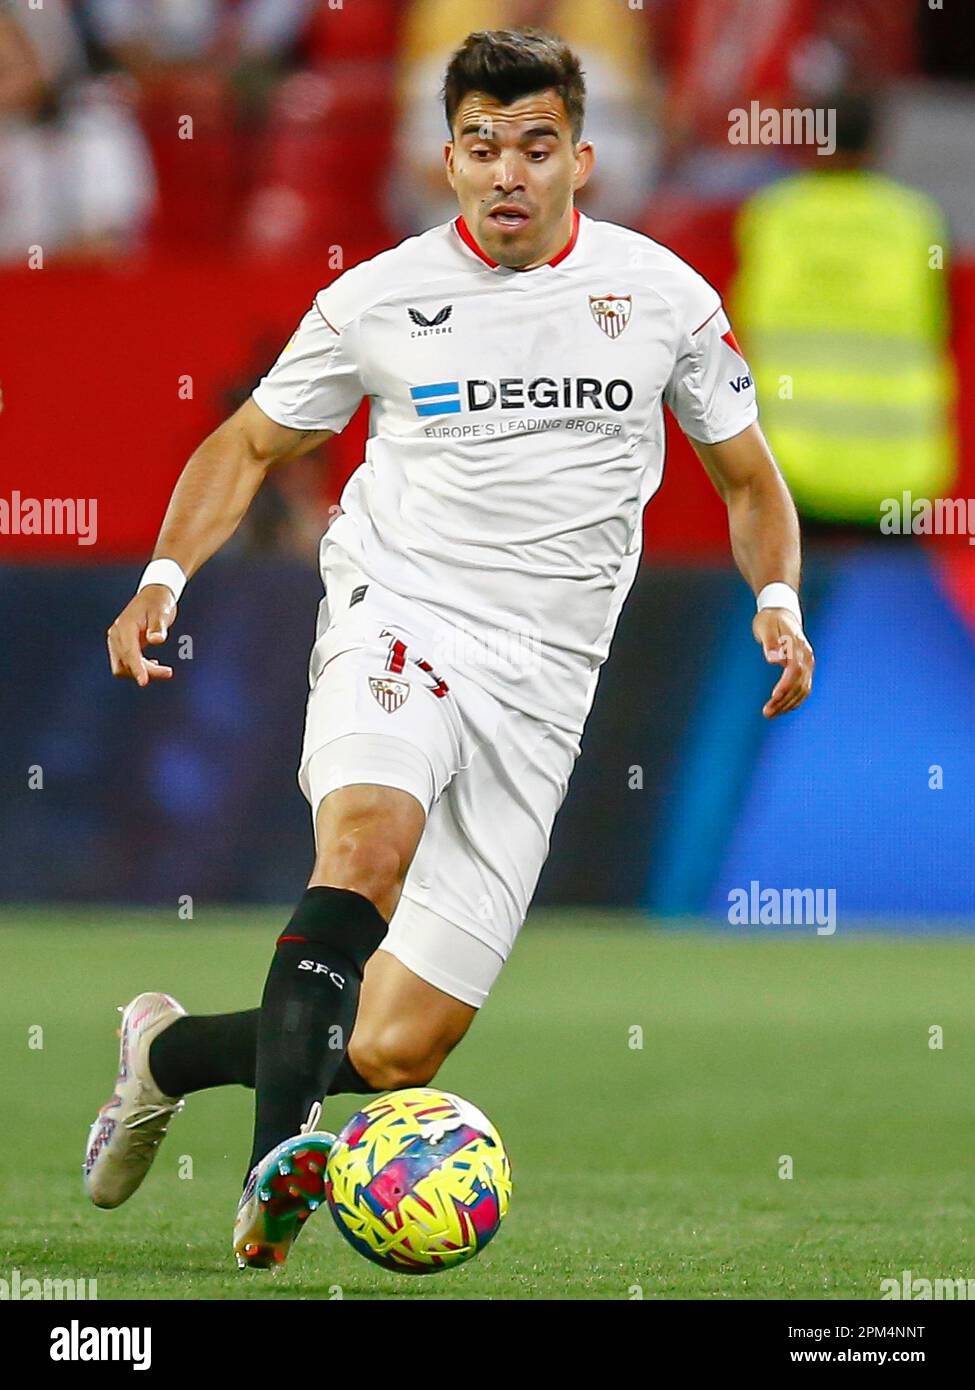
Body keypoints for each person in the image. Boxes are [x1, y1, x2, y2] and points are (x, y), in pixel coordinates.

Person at [89, 28, 814, 1271]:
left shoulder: (663, 299)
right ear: (448, 163)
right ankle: (280, 1166)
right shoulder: (376, 299)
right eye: (483, 148)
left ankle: (161, 1054)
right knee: (366, 840)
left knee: (392, 1046)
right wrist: (164, 573)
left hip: (543, 689)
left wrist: (781, 600)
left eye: (535, 146)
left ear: (581, 158)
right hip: (399, 616)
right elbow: (250, 446)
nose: (508, 173)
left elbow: (748, 479)